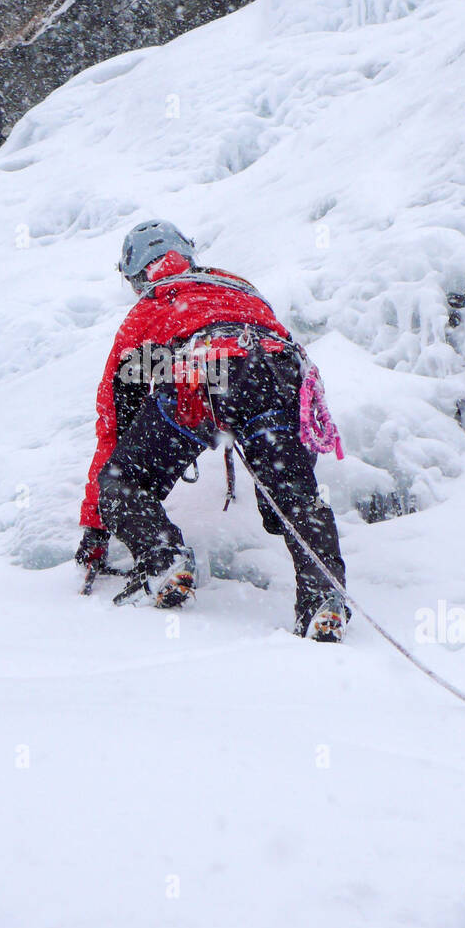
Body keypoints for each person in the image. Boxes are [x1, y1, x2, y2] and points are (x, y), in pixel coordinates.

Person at [75, 220, 349, 640]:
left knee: (122, 479)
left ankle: (162, 556)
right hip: (281, 373)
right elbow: (264, 337)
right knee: (294, 498)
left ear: (136, 275)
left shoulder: (151, 306)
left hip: (205, 372)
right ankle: (323, 596)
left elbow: (115, 421)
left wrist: (97, 525)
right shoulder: (237, 286)